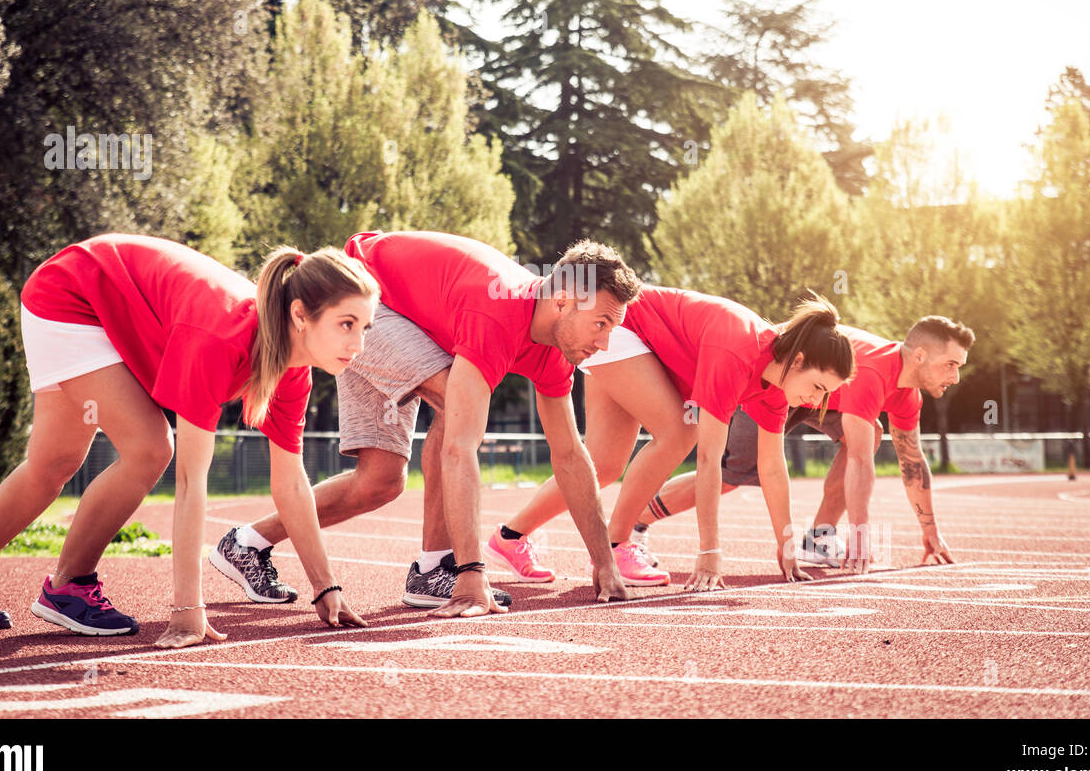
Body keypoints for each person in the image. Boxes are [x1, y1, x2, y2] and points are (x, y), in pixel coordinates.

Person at [0, 234, 376, 648]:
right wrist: (187, 609)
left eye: (366, 328)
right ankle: (69, 586)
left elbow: (292, 484)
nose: (358, 343)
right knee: (151, 448)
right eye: (346, 324)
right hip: (73, 293)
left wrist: (326, 586)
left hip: (98, 302)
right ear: (301, 314)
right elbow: (190, 482)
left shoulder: (292, 372)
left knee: (52, 463)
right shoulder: (221, 338)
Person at [216, 231, 642, 617]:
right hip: (365, 299)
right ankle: (437, 566)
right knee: (457, 406)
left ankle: (247, 543)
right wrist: (473, 573)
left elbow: (569, 453)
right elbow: (459, 446)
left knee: (380, 482)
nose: (603, 343)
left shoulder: (553, 352)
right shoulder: (497, 313)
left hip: (408, 316)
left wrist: (604, 562)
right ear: (563, 302)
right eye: (601, 324)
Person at [486, 290, 855, 591]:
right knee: (681, 431)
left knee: (604, 462)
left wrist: (786, 544)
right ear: (799, 360)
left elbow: (773, 468)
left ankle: (509, 536)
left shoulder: (775, 387)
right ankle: (616, 545)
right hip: (621, 328)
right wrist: (709, 551)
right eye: (818, 387)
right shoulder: (738, 349)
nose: (814, 402)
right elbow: (708, 460)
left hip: (639, 345)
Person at [631, 317, 975, 574]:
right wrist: (860, 535)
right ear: (918, 356)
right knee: (734, 475)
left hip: (819, 396)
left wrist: (931, 532)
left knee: (870, 431)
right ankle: (634, 523)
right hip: (779, 384)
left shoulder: (907, 396)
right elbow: (857, 459)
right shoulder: (873, 372)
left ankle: (819, 539)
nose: (955, 377)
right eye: (950, 365)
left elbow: (912, 461)